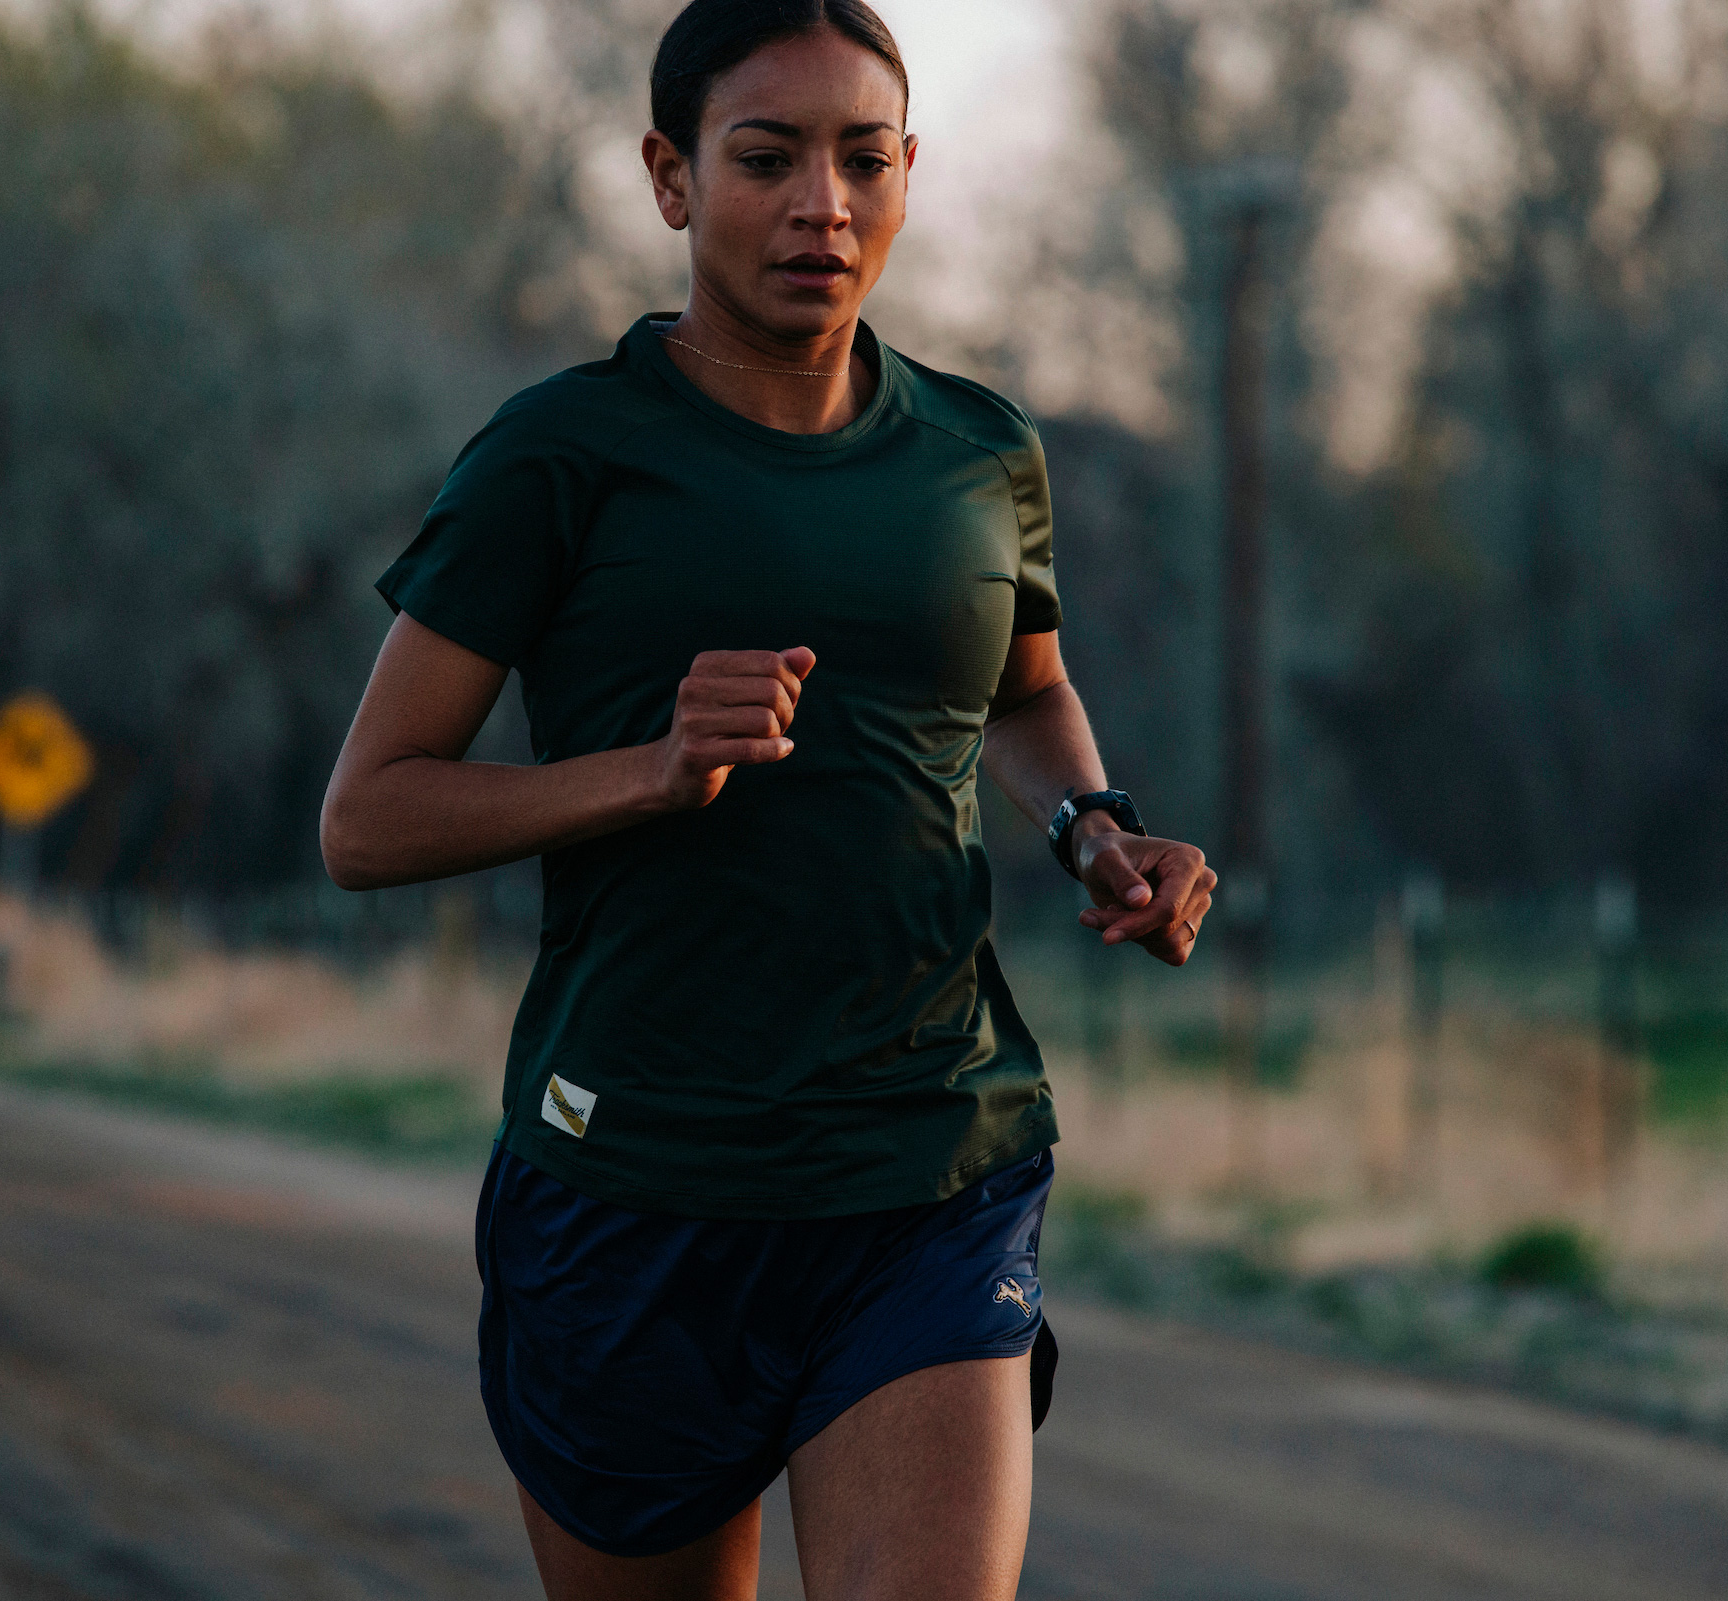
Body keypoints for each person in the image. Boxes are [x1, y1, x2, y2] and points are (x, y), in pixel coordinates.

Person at [319, 2, 1214, 1595]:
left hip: (927, 1163)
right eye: (767, 159)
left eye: (865, 160)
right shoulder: (559, 457)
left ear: (911, 171)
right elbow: (366, 817)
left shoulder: (979, 451)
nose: (825, 205)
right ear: (671, 178)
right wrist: (652, 770)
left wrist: (1095, 826)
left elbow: (1022, 690)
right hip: (635, 1185)